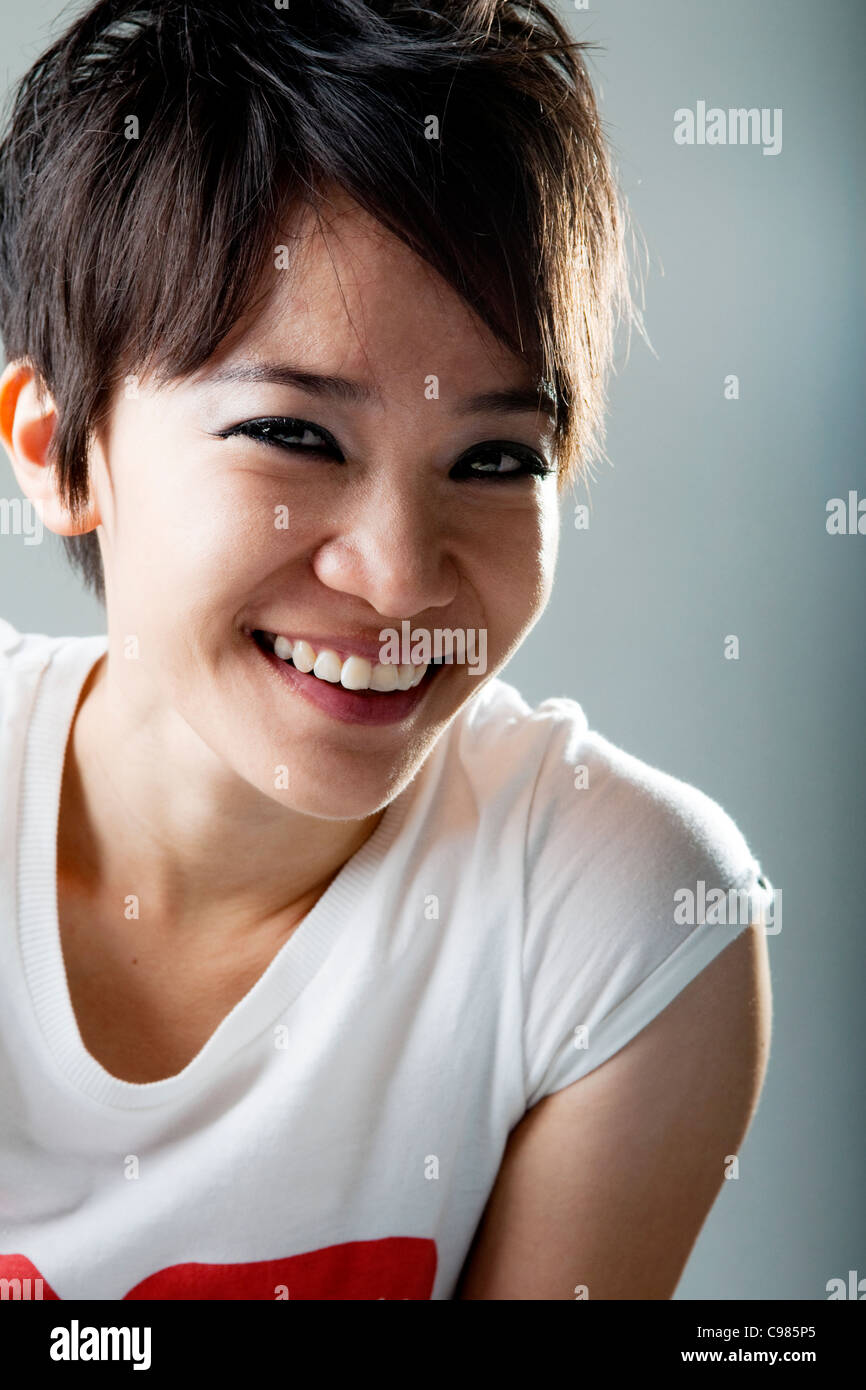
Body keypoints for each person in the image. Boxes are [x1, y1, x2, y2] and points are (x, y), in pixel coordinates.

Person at [0, 0, 772, 1300]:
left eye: (491, 458)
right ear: (57, 450)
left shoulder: (620, 920)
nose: (402, 577)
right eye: (294, 435)